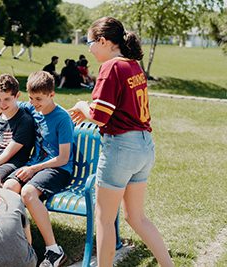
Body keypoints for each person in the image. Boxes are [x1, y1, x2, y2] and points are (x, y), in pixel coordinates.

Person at [68, 17, 174, 267]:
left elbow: (100, 115)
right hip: (144, 146)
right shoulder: (133, 65)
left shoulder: (111, 67)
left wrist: (83, 106)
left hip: (121, 148)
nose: (89, 48)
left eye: (90, 42)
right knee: (136, 217)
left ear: (104, 41)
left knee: (104, 219)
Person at [0, 71, 74, 267]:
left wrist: (34, 168)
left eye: (39, 99)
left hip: (58, 168)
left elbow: (63, 157)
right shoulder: (34, 108)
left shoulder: (62, 119)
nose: (34, 103)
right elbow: (6, 107)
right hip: (35, 166)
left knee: (28, 192)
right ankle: (13, 242)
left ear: (51, 95)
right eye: (31, 98)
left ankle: (54, 250)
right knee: (8, 188)